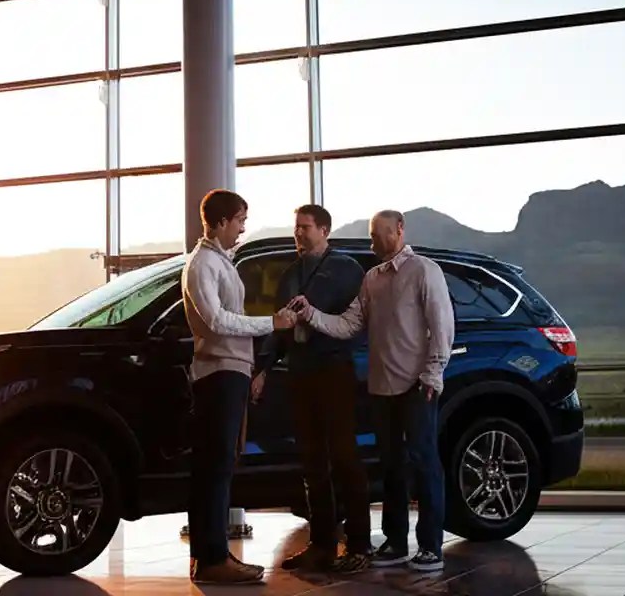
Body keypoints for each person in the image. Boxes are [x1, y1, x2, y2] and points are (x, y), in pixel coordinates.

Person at [288, 209, 454, 572]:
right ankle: (395, 542)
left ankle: (431, 546)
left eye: (379, 235)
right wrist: (311, 313)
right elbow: (350, 324)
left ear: (399, 230)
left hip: (417, 386)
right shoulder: (372, 280)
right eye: (371, 235)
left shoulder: (424, 271)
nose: (373, 241)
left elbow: (442, 325)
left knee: (425, 463)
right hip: (381, 387)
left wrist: (433, 373)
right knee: (391, 466)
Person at [183, 188, 298, 585]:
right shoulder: (203, 265)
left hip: (228, 371)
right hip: (218, 374)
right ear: (219, 222)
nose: (242, 229)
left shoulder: (217, 262)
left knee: (215, 469)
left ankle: (210, 556)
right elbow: (218, 321)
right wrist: (273, 323)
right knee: (215, 469)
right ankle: (214, 559)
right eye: (239, 221)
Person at [251, 204, 372, 573]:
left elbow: (359, 322)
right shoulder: (290, 273)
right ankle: (321, 544)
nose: (298, 233)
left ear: (324, 230)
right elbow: (280, 328)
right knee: (312, 461)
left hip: (335, 371)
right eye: (296, 227)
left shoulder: (348, 270)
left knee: (345, 458)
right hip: (300, 373)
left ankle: (360, 545)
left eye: (305, 227)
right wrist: (264, 369)